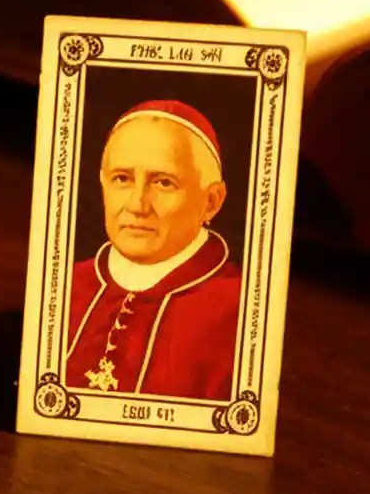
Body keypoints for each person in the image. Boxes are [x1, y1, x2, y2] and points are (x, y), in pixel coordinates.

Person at [64, 99, 242, 401]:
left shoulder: (240, 310)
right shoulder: (67, 284)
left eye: (163, 183)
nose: (136, 205)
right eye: (122, 179)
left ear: (212, 201)